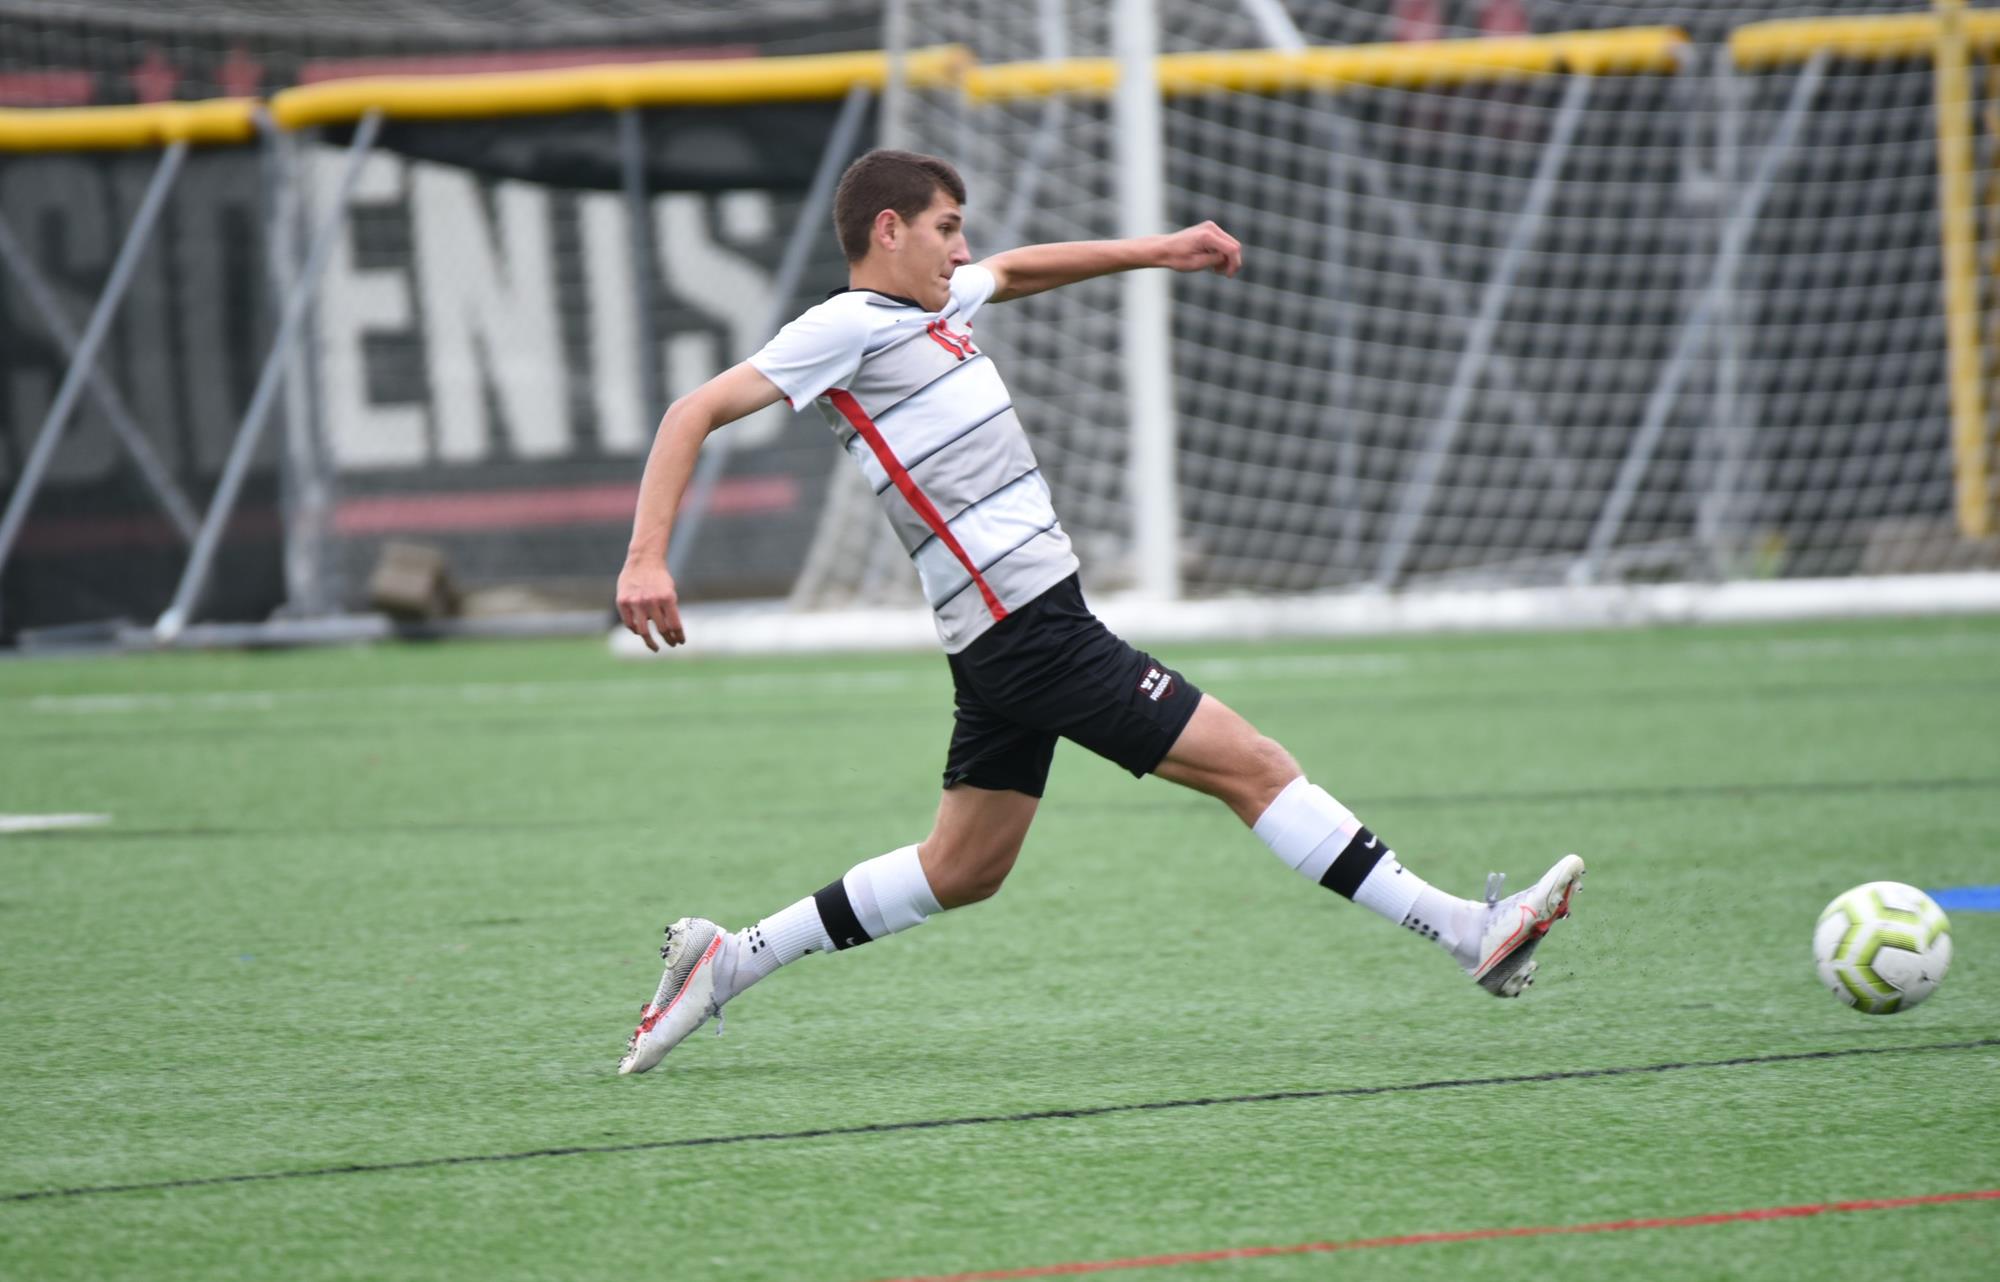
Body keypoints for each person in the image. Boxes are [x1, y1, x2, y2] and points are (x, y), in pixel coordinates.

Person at [612, 150, 1583, 1075]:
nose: (961, 250)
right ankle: (1465, 931)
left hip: (1005, 630)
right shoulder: (844, 326)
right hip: (1028, 630)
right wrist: (647, 555)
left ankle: (729, 958)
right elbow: (689, 412)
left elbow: (1018, 269)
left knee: (964, 865)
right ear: (887, 227)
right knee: (1253, 769)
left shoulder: (935, 303)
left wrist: (1157, 249)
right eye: (947, 229)